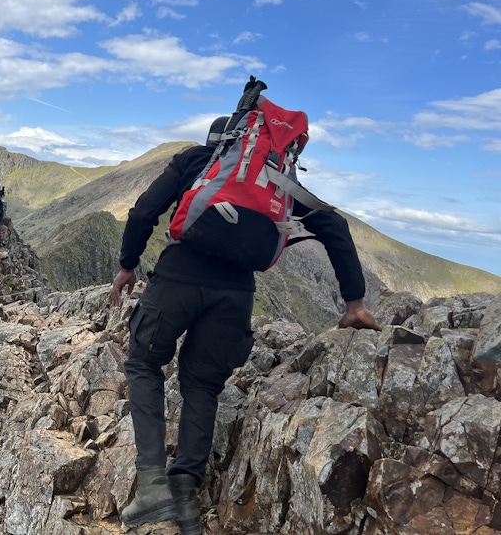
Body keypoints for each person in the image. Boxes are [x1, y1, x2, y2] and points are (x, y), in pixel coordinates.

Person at [110, 113, 381, 534]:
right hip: (235, 296)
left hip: (177, 279)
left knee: (144, 364)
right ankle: (184, 497)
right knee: (201, 385)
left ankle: (151, 487)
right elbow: (334, 226)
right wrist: (354, 301)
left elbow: (144, 211)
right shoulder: (275, 182)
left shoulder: (194, 161)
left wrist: (128, 265)